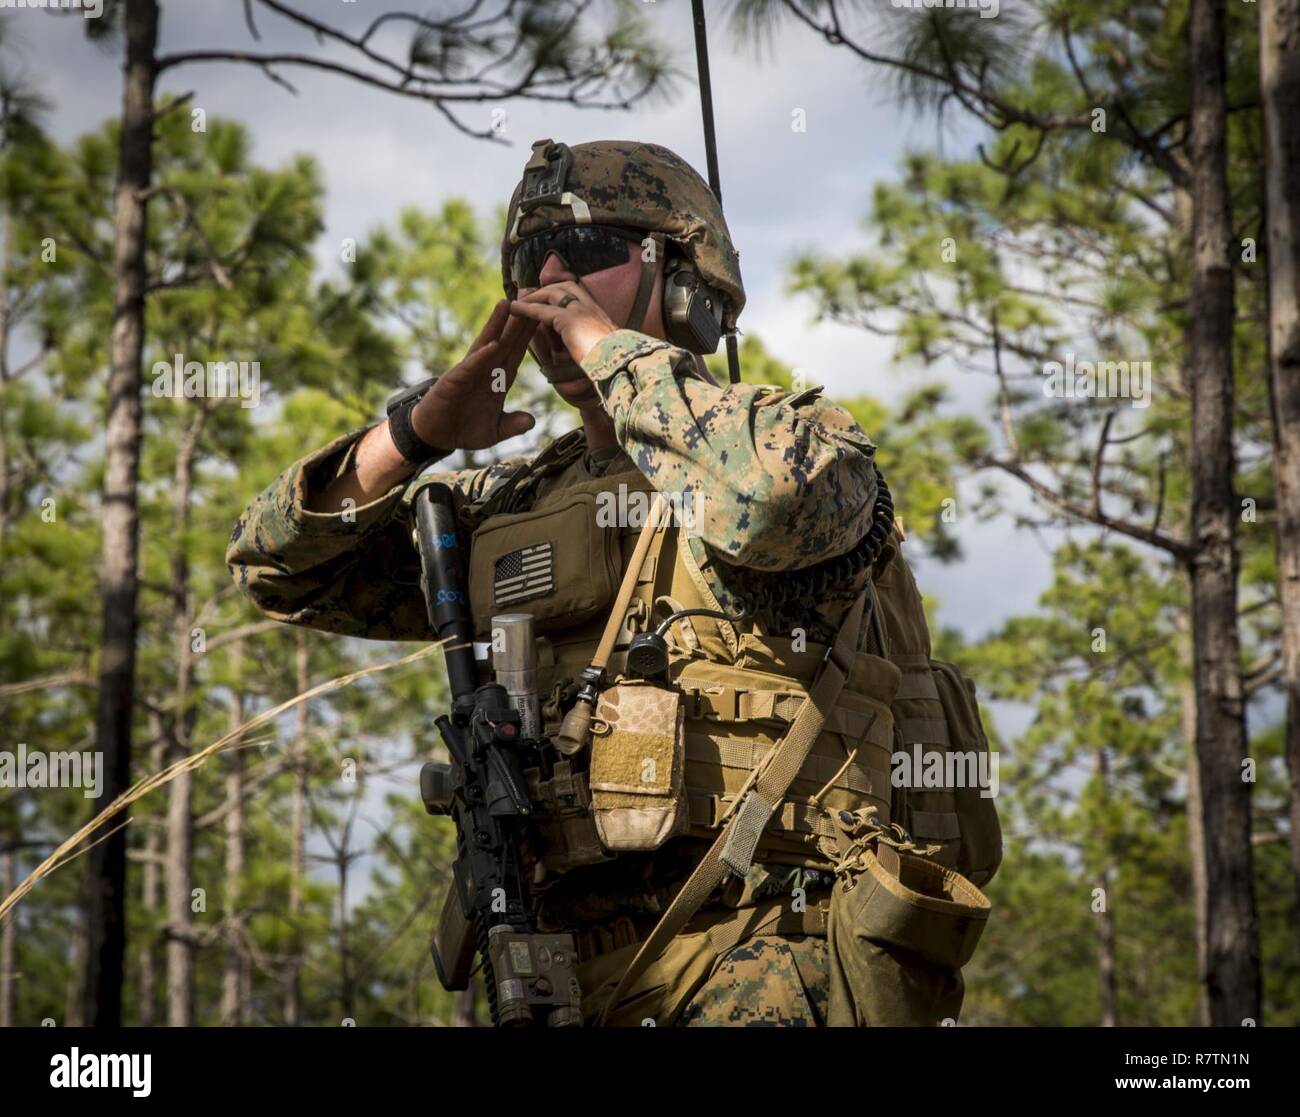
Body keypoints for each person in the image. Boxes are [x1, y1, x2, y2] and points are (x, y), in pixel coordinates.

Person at [228, 138, 994, 1026]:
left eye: (589, 253)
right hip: (562, 984)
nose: (550, 277)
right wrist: (420, 430)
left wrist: (609, 352)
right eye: (528, 258)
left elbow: (769, 504)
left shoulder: (797, 444)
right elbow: (277, 568)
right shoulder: (513, 504)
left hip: (769, 963)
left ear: (681, 279)